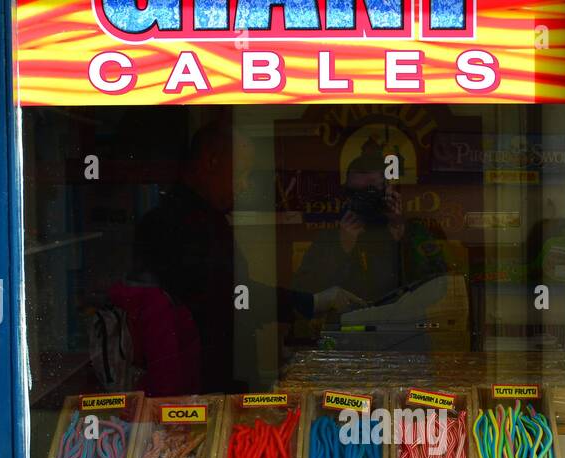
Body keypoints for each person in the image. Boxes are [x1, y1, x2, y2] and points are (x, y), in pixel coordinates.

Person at [136, 114, 361, 393]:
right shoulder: (177, 225)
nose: (243, 186)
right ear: (212, 162)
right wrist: (310, 302)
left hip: (218, 376)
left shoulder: (205, 218)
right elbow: (226, 294)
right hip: (199, 384)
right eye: (240, 173)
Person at [293, 141, 447, 310]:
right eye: (354, 193)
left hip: (406, 325)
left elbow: (441, 285)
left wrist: (402, 235)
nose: (362, 199)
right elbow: (304, 293)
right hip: (350, 327)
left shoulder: (414, 232)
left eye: (370, 191)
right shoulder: (331, 238)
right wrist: (341, 248)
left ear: (388, 192)